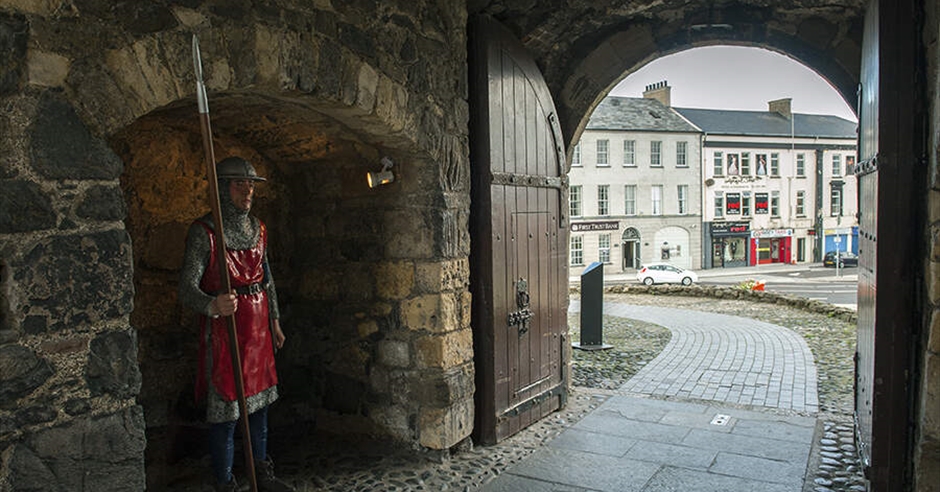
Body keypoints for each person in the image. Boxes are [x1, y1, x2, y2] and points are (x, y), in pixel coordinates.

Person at [178, 156, 293, 492]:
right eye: (240, 183)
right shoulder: (205, 232)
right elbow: (187, 287)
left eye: (251, 184)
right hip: (226, 333)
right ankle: (225, 483)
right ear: (221, 188)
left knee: (259, 407)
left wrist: (274, 321)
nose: (248, 190)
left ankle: (262, 474)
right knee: (227, 412)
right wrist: (211, 303)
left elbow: (267, 280)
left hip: (257, 331)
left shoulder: (258, 228)